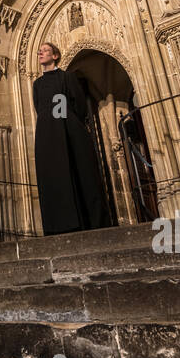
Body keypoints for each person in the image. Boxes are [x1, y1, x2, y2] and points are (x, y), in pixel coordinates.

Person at [33, 42, 109, 236]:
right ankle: (58, 225)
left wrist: (67, 123)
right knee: (53, 177)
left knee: (79, 171)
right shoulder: (38, 84)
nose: (41, 53)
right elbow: (39, 107)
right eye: (40, 51)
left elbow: (79, 105)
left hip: (69, 129)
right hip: (47, 134)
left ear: (55, 56)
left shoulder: (67, 77)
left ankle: (86, 221)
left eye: (46, 50)